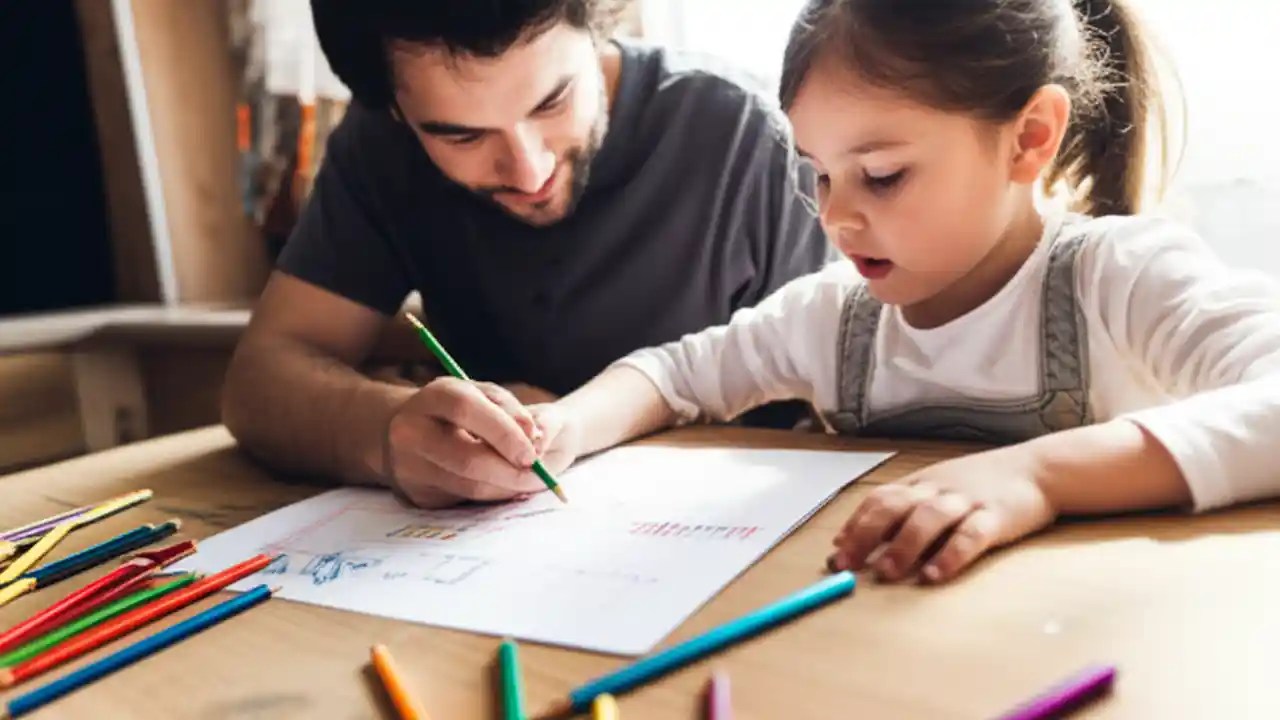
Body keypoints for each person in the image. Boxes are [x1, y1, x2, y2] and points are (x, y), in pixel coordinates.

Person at [528, 0, 1280, 583]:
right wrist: (561, 429)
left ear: (1029, 138)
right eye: (819, 172)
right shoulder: (831, 317)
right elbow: (673, 374)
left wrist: (1038, 475)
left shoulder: (1119, 278)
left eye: (882, 175)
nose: (834, 214)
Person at [221, 1, 830, 508]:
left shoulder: (750, 142)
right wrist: (384, 430)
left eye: (552, 102)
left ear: (596, 25)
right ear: (399, 113)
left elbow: (845, 414)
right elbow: (260, 379)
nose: (529, 169)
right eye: (460, 135)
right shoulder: (378, 146)